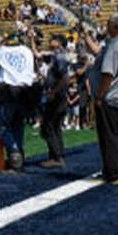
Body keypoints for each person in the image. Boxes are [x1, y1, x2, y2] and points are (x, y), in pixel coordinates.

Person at [83, 16, 118, 185]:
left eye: (109, 23)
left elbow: (107, 74)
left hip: (110, 98)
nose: (106, 25)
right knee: (114, 137)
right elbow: (98, 52)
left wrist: (99, 96)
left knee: (108, 138)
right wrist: (86, 38)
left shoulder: (113, 47)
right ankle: (111, 170)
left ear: (116, 27)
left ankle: (112, 174)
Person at [0, 31, 37, 173]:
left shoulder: (1, 52)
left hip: (7, 91)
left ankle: (15, 157)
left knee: (4, 126)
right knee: (18, 125)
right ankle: (19, 156)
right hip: (25, 91)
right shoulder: (27, 52)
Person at [38, 35, 72, 169]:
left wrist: (53, 92)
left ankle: (56, 157)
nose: (50, 41)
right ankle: (58, 155)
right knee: (56, 127)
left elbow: (65, 79)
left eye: (53, 39)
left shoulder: (59, 57)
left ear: (59, 43)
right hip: (60, 97)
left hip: (57, 97)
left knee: (49, 126)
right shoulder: (57, 56)